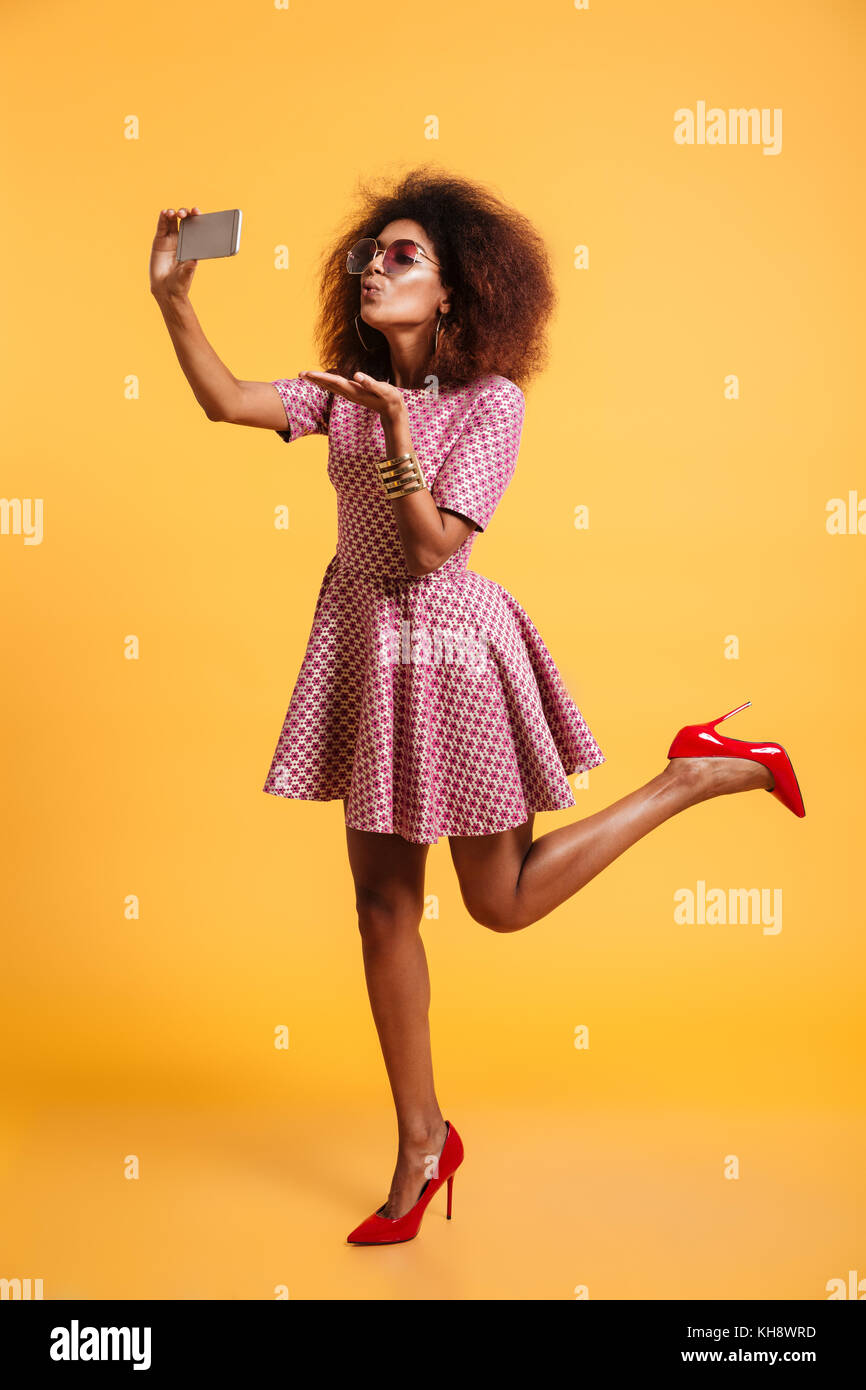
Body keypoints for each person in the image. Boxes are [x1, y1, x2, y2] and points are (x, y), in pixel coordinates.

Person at [149, 168, 805, 1248]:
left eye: (402, 255)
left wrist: (398, 433)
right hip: (365, 646)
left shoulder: (490, 403)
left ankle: (690, 771)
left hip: (453, 655)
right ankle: (420, 1141)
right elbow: (225, 399)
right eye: (369, 255)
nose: (375, 268)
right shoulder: (342, 394)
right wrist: (174, 297)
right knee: (378, 909)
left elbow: (431, 546)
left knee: (494, 901)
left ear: (454, 292)